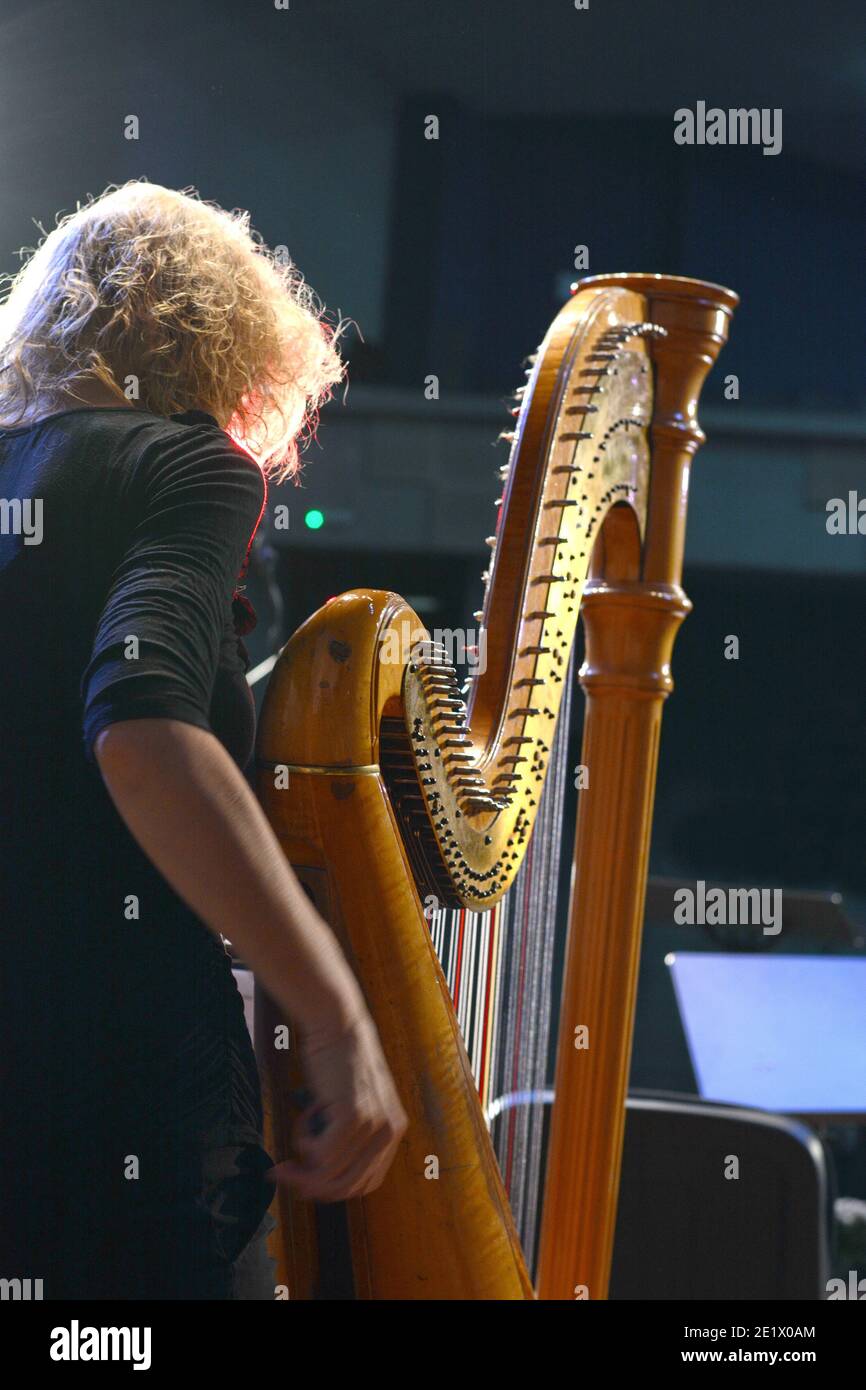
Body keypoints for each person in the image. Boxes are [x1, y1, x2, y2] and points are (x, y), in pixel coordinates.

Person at [0, 181, 407, 1299]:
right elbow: (141, 727)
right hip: (111, 1110)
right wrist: (333, 1014)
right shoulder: (183, 465)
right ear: (235, 343)